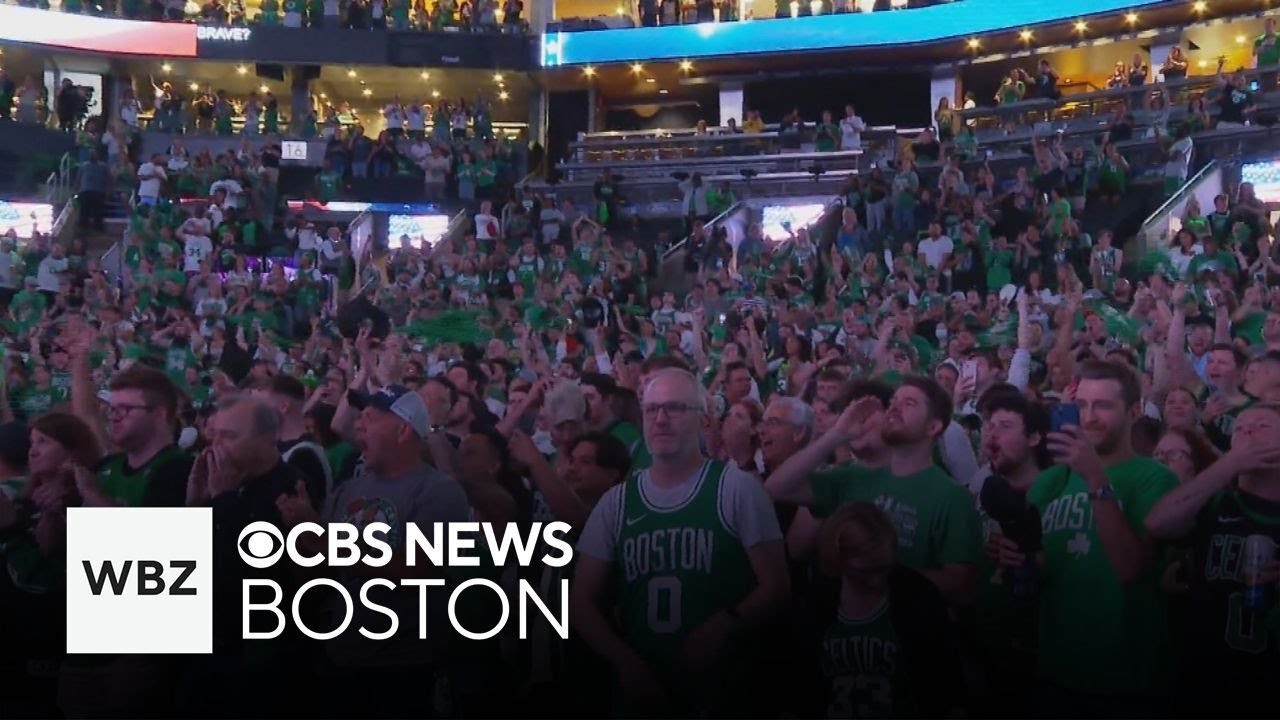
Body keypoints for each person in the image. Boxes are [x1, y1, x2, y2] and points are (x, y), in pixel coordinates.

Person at [571, 368, 789, 715]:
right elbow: (579, 601)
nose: (660, 419)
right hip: (640, 690)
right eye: (652, 409)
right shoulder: (616, 502)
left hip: (722, 689)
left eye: (674, 408)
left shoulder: (738, 490)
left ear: (704, 422)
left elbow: (777, 587)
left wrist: (726, 622)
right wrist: (624, 661)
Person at [991, 360, 1177, 714]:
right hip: (1055, 670)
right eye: (1081, 406)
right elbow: (1046, 564)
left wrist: (1095, 477)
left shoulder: (1155, 478)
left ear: (1134, 411)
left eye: (1103, 405)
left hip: (1127, 681)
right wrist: (1016, 556)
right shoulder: (1051, 481)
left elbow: (1130, 568)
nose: (1088, 416)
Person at [276, 384, 471, 716]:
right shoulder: (347, 490)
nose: (358, 426)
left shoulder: (440, 491)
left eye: (369, 418)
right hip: (339, 659)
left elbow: (416, 569)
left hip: (405, 669)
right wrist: (300, 533)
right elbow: (316, 578)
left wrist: (326, 539)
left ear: (403, 429)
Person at [765, 376, 984, 606]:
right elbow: (775, 488)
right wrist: (836, 435)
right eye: (893, 402)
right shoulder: (849, 476)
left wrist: (876, 573)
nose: (895, 408)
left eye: (909, 403)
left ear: (934, 426)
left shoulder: (951, 496)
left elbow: (962, 585)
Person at [1145, 403, 1280, 717]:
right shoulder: (1215, 503)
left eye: (1262, 426)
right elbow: (1157, 524)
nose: (1247, 432)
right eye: (1241, 427)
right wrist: (1228, 465)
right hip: (1201, 684)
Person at [178, 393, 304, 716]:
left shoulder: (290, 489)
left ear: (268, 437)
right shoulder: (223, 480)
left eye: (230, 436)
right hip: (204, 648)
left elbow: (258, 573)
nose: (216, 444)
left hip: (255, 657)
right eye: (214, 433)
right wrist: (195, 506)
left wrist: (224, 501)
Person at [808, 502, 965, 718]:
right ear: (838, 559)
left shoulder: (919, 597)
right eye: (864, 572)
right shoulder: (815, 602)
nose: (877, 581)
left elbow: (946, 687)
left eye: (884, 569)